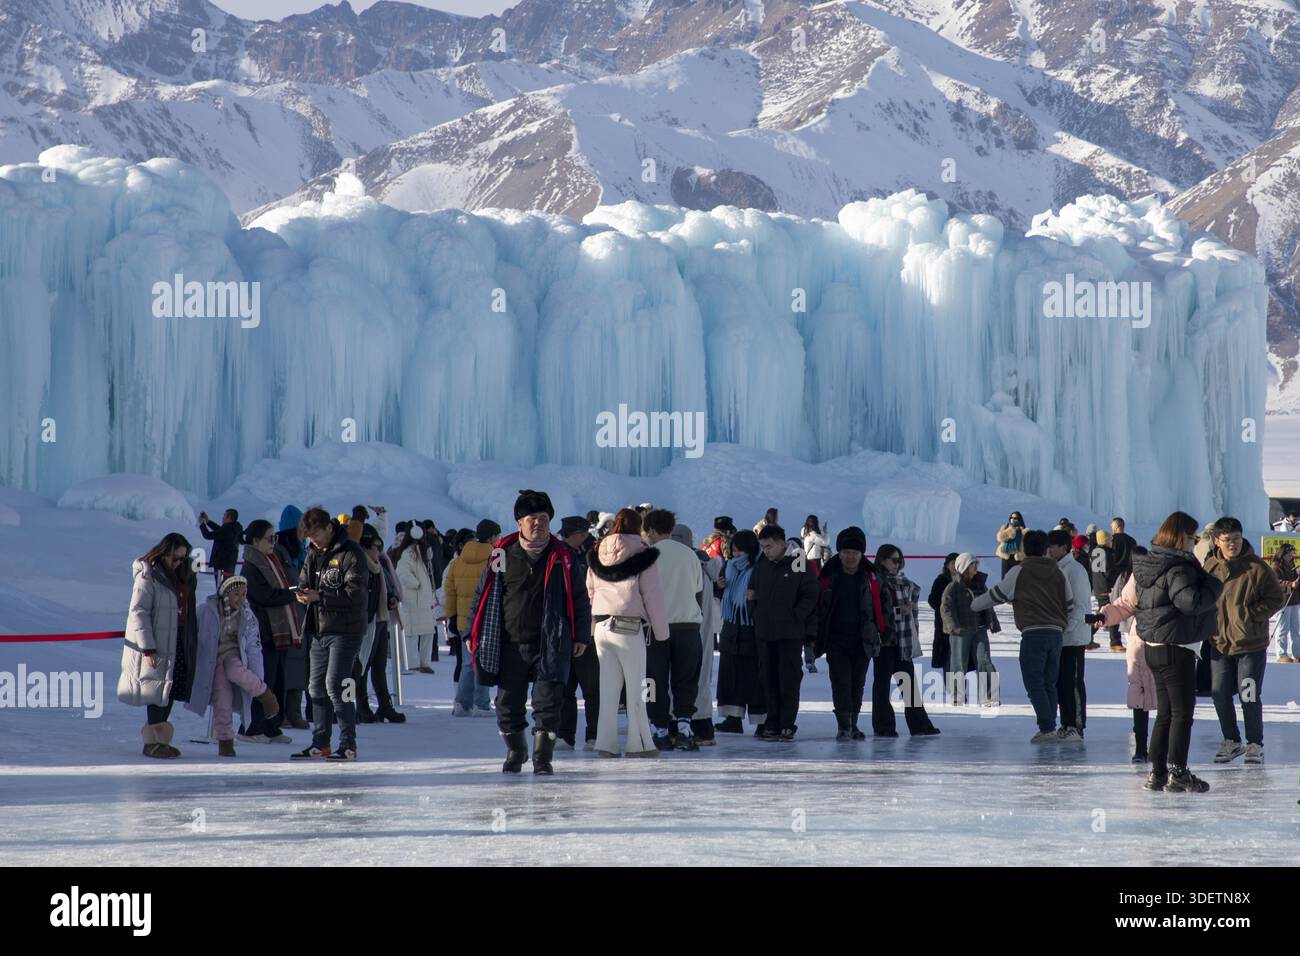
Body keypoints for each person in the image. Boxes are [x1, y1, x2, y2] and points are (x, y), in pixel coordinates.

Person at [469, 490, 591, 775]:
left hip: (551, 642)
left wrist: (581, 636)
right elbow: (483, 595)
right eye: (532, 518)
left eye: (544, 518)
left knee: (548, 703)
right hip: (510, 642)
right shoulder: (501, 554)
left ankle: (542, 758)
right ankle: (516, 750)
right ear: (519, 522)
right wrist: (470, 632)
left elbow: (579, 598)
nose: (539, 523)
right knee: (507, 704)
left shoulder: (564, 557)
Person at [1130, 511, 1222, 792]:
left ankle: (1158, 773)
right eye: (1193, 538)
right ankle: (1177, 772)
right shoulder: (1178, 567)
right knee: (1182, 714)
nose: (1195, 543)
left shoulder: (1152, 563)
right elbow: (1190, 603)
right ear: (1180, 537)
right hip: (1175, 647)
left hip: (1155, 647)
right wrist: (1214, 585)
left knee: (1166, 714)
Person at [585, 508, 670, 758]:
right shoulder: (643, 554)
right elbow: (653, 597)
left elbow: (590, 591)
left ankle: (606, 744)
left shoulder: (596, 552)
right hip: (629, 629)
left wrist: (591, 628)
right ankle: (640, 744)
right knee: (637, 689)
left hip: (602, 628)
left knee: (608, 690)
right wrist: (662, 634)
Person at [972, 529, 1069, 743]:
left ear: (1024, 549)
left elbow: (996, 595)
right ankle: (1050, 725)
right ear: (1045, 550)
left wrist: (974, 604)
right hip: (1056, 635)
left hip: (1033, 633)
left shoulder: (1019, 571)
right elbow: (1069, 601)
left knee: (1034, 682)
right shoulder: (1058, 572)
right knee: (1049, 682)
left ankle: (1047, 728)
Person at [1203, 517, 1285, 766]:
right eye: (1227, 540)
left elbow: (1276, 597)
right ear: (1217, 540)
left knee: (1248, 694)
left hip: (1250, 644)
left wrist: (1251, 615)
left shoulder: (1257, 567)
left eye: (1236, 538)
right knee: (1219, 694)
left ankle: (1254, 743)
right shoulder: (1210, 567)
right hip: (1219, 644)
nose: (1233, 544)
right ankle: (1231, 740)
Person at [292, 506, 369, 761]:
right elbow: (304, 580)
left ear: (329, 528)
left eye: (317, 535)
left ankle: (348, 744)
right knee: (315, 688)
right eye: (310, 537)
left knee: (338, 685)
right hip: (318, 629)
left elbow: (355, 594)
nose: (314, 540)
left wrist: (320, 597)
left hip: (346, 631)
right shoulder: (313, 554)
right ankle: (320, 741)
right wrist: (303, 592)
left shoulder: (351, 552)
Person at [118, 533, 199, 758]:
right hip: (158, 640)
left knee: (170, 688)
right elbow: (139, 612)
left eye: (183, 558)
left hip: (179, 638)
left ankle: (162, 740)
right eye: (176, 558)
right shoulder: (149, 576)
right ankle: (152, 741)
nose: (179, 563)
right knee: (156, 691)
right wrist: (148, 647)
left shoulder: (184, 576)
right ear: (164, 553)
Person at [187, 576, 279, 757]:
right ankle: (225, 740)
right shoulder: (206, 611)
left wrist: (258, 674)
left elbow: (254, 647)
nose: (241, 598)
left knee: (234, 669)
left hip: (234, 656)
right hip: (213, 661)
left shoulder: (247, 615)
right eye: (236, 594)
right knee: (223, 699)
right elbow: (193, 635)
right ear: (225, 594)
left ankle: (265, 694)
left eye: (244, 594)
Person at [642, 509, 705, 751]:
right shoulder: (690, 554)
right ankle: (685, 727)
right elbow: (697, 590)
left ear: (653, 531)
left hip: (654, 628)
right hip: (688, 626)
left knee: (653, 680)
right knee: (686, 679)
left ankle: (659, 728)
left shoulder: (647, 554)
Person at [749, 523, 819, 741]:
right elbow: (751, 591)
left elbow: (811, 592)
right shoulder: (763, 564)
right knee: (767, 679)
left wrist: (796, 615)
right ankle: (772, 721)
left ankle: (787, 723)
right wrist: (755, 612)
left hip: (789, 633)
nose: (766, 550)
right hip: (765, 631)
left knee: (788, 679)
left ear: (781, 544)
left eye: (769, 546)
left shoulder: (797, 561)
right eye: (763, 547)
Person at [815, 527, 880, 740]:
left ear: (862, 554)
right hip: (836, 639)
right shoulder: (827, 575)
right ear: (839, 552)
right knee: (841, 682)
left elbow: (883, 606)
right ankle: (844, 726)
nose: (850, 557)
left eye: (855, 552)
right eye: (846, 552)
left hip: (863, 639)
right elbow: (818, 606)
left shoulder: (871, 577)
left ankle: (853, 724)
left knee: (857, 684)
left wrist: (884, 632)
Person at [239, 519, 299, 744]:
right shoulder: (251, 566)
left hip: (277, 633)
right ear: (255, 541)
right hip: (263, 633)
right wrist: (293, 594)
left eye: (275, 538)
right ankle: (252, 727)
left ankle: (272, 726)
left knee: (277, 681)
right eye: (269, 538)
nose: (274, 542)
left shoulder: (270, 561)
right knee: (262, 683)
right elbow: (264, 596)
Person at [1096, 545, 1157, 762]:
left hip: (1166, 642)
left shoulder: (1177, 572)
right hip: (1140, 641)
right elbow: (1124, 605)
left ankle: (1161, 749)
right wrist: (1104, 616)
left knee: (1169, 702)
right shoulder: (1138, 577)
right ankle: (1141, 748)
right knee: (1140, 695)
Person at [872, 544, 940, 736]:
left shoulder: (904, 582)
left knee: (909, 684)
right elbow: (876, 612)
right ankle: (884, 727)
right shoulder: (876, 582)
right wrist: (901, 611)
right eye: (893, 560)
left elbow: (912, 615)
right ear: (882, 560)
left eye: (899, 560)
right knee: (882, 685)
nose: (897, 564)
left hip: (903, 640)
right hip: (884, 640)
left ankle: (920, 725)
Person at [446, 519, 500, 719]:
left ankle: (462, 703)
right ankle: (482, 703)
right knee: (483, 662)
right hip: (486, 618)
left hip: (463, 620)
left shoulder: (458, 561)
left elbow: (449, 591)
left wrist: (452, 616)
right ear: (493, 537)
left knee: (468, 663)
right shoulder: (495, 558)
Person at [714, 530, 766, 733]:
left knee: (755, 678)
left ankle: (761, 719)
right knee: (730, 677)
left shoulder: (760, 567)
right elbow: (721, 592)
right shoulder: (728, 567)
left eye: (740, 551)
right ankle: (732, 718)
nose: (736, 555)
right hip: (731, 629)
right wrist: (718, 586)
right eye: (734, 550)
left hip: (751, 629)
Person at [556, 515, 600, 747]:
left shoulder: (566, 554)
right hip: (582, 627)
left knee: (572, 686)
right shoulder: (581, 555)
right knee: (584, 687)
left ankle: (573, 734)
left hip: (575, 628)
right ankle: (586, 734)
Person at [678, 524, 721, 746]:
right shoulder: (704, 564)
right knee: (701, 680)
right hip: (702, 630)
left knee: (683, 680)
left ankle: (686, 727)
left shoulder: (685, 564)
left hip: (686, 630)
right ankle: (704, 728)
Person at [1047, 529, 1092, 741]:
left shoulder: (1075, 570)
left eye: (1052, 547)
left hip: (1073, 638)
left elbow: (1081, 606)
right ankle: (1066, 722)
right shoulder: (1056, 569)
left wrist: (1067, 629)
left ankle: (1076, 724)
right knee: (1061, 682)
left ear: (1064, 548)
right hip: (1060, 636)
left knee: (1072, 681)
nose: (1049, 550)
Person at [940, 553, 998, 706]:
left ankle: (990, 697)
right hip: (961, 631)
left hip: (980, 629)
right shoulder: (953, 587)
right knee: (958, 663)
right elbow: (945, 608)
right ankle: (956, 697)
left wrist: (993, 622)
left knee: (985, 661)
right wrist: (953, 626)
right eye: (973, 564)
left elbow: (988, 603)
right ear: (964, 567)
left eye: (976, 564)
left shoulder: (980, 584)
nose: (976, 567)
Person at [360, 527, 405, 723]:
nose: (379, 551)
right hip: (368, 622)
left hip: (381, 619)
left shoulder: (380, 565)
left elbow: (389, 587)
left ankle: (385, 705)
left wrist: (392, 599)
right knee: (362, 666)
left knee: (379, 665)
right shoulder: (362, 565)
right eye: (376, 547)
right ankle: (361, 707)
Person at [395, 523, 438, 673]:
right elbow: (402, 572)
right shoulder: (409, 553)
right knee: (413, 632)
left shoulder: (422, 552)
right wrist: (416, 583)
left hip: (423, 597)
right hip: (413, 598)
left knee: (427, 631)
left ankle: (424, 662)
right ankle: (413, 662)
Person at [1091, 529, 1123, 651]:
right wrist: (1113, 585)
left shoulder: (1095, 552)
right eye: (1109, 540)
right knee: (1113, 613)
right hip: (1107, 588)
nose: (1111, 542)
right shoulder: (1106, 553)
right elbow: (1109, 572)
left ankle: (1087, 637)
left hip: (1098, 587)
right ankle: (1115, 642)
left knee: (1102, 614)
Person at [1268, 542, 1300, 662]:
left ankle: (1297, 652)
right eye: (1288, 554)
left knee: (1295, 628)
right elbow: (1276, 582)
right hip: (1283, 601)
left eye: (1292, 554)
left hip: (1294, 600)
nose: (1290, 557)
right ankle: (1281, 654)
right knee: (1283, 628)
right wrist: (1290, 584)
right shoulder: (1275, 567)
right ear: (1282, 554)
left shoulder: (1292, 566)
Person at [928, 553, 959, 672]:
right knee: (947, 655)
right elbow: (932, 600)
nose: (955, 566)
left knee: (961, 658)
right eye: (953, 563)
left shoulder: (966, 580)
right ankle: (951, 688)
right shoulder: (940, 580)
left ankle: (960, 687)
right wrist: (944, 609)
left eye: (957, 563)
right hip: (944, 624)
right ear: (947, 565)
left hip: (962, 624)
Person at [198, 508, 243, 587]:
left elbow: (208, 535)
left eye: (224, 516)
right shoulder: (235, 529)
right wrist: (208, 522)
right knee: (228, 587)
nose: (222, 517)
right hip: (230, 563)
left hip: (221, 564)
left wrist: (202, 524)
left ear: (229, 517)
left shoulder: (227, 530)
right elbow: (220, 530)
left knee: (222, 588)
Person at [995, 512, 1025, 578]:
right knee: (1005, 579)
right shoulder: (1005, 528)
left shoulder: (1024, 531)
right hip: (1006, 556)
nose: (1013, 520)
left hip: (1017, 558)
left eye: (1015, 518)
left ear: (1019, 519)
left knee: (1017, 580)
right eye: (1011, 518)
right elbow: (1000, 537)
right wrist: (1011, 529)